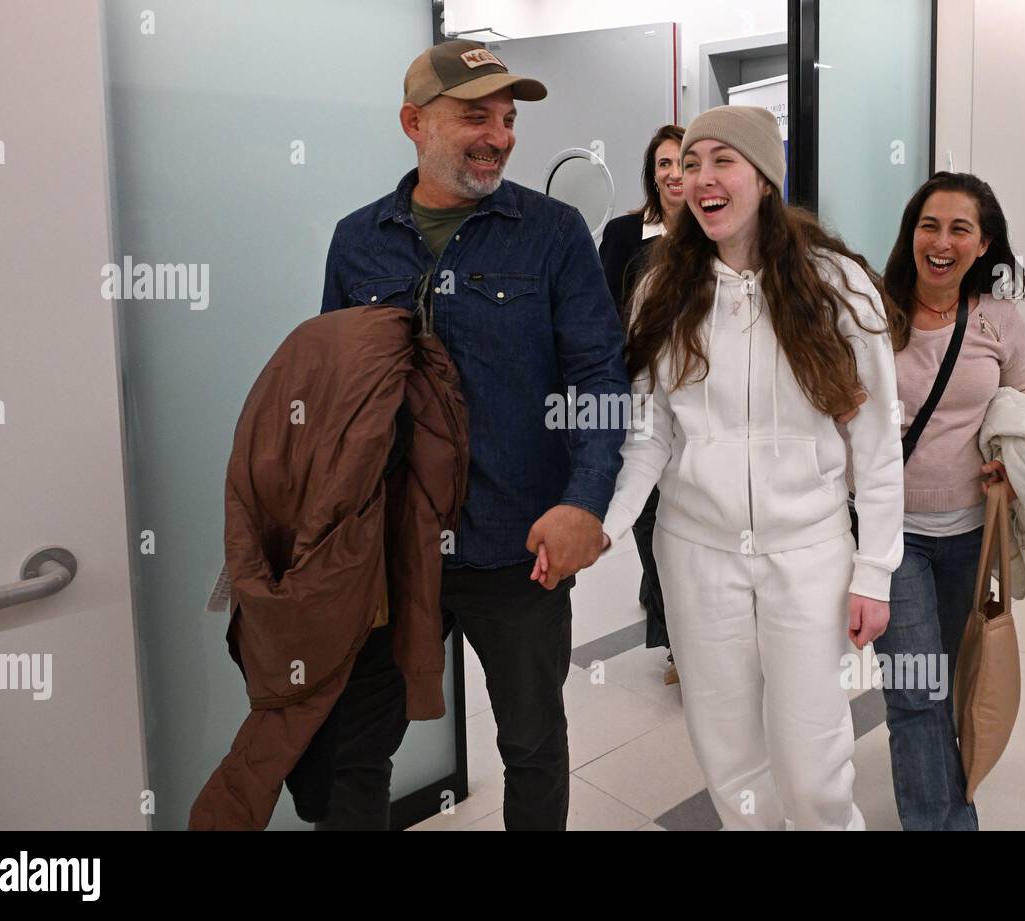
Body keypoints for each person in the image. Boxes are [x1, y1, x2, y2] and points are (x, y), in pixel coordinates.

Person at [313, 39, 629, 831]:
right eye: (475, 115)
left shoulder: (552, 233)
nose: (500, 134)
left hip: (517, 544)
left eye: (508, 117)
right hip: (391, 549)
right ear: (415, 122)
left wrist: (586, 502)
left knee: (531, 742)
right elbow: (335, 390)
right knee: (354, 748)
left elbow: (598, 375)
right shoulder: (358, 241)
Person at [590, 106, 904, 830]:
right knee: (729, 756)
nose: (701, 178)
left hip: (809, 552)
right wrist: (605, 526)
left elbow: (878, 441)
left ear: (765, 178)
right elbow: (650, 433)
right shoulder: (661, 291)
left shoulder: (838, 288)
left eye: (722, 161)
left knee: (812, 756)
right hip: (696, 554)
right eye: (691, 162)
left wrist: (875, 569)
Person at [874, 171, 1025, 830]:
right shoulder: (872, 315)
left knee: (951, 680)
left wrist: (1011, 460)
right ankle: (942, 821)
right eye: (928, 225)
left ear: (983, 243)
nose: (940, 242)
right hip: (893, 534)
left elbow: (1023, 404)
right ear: (911, 234)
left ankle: (944, 797)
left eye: (958, 229)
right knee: (916, 690)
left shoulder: (998, 321)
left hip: (972, 532)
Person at [598, 124, 685, 683]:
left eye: (685, 163)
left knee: (685, 522)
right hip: (644, 393)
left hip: (702, 402)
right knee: (650, 518)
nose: (674, 174)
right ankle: (677, 641)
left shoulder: (718, 230)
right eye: (664, 165)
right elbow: (605, 312)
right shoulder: (628, 232)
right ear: (651, 175)